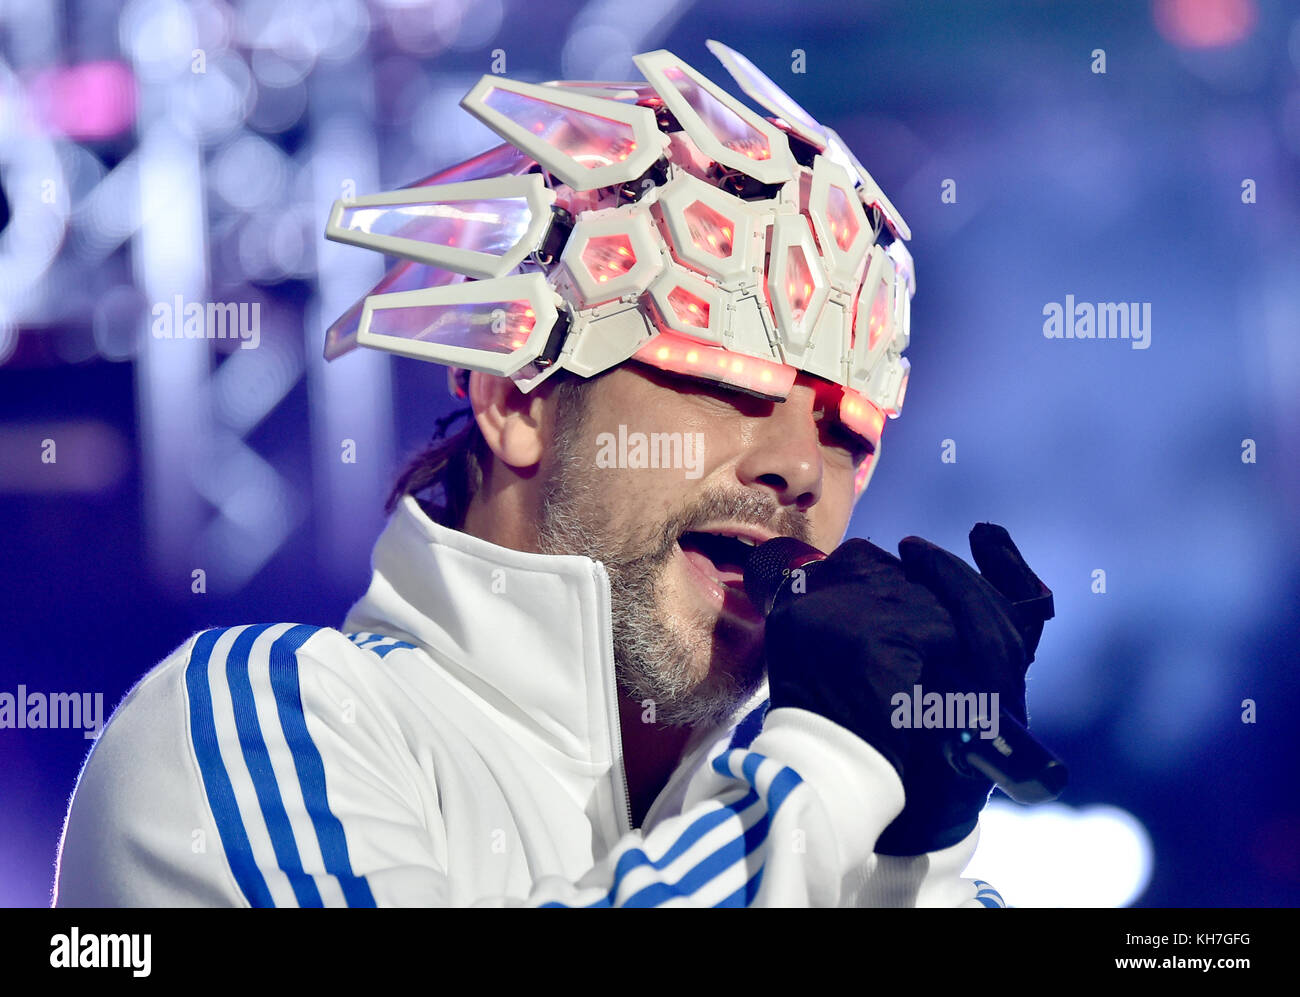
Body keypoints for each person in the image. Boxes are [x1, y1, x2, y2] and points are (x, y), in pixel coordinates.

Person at [54, 42, 1050, 907]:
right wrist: (829, 765)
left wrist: (910, 858)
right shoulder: (259, 722)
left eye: (851, 434)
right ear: (519, 400)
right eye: (728, 384)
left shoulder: (815, 808)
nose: (799, 467)